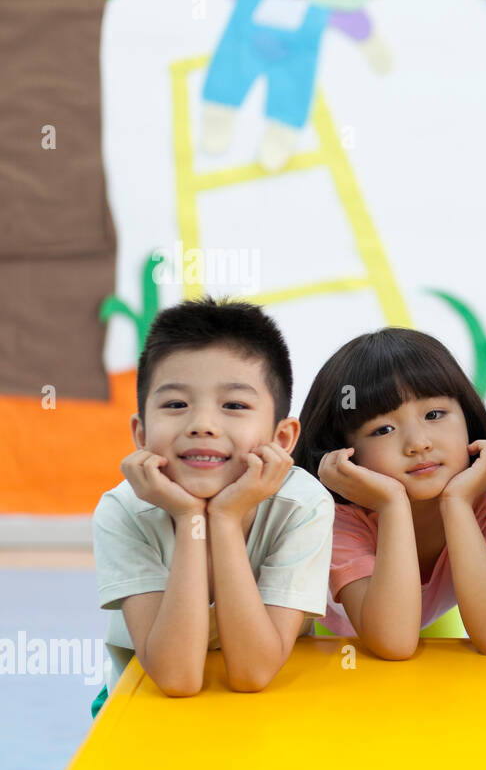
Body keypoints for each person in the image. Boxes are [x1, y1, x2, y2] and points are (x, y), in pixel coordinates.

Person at [92, 298, 333, 702]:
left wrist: (223, 518)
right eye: (175, 405)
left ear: (282, 439)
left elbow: (253, 672)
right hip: (140, 710)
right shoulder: (124, 511)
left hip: (272, 705)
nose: (202, 425)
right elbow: (176, 678)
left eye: (234, 405)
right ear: (140, 433)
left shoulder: (303, 505)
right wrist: (191, 518)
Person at [294, 328, 486, 657]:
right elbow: (394, 643)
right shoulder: (335, 517)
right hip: (324, 638)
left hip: (426, 629)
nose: (419, 443)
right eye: (383, 429)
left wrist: (457, 504)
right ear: (347, 451)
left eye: (434, 415)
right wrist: (391, 506)